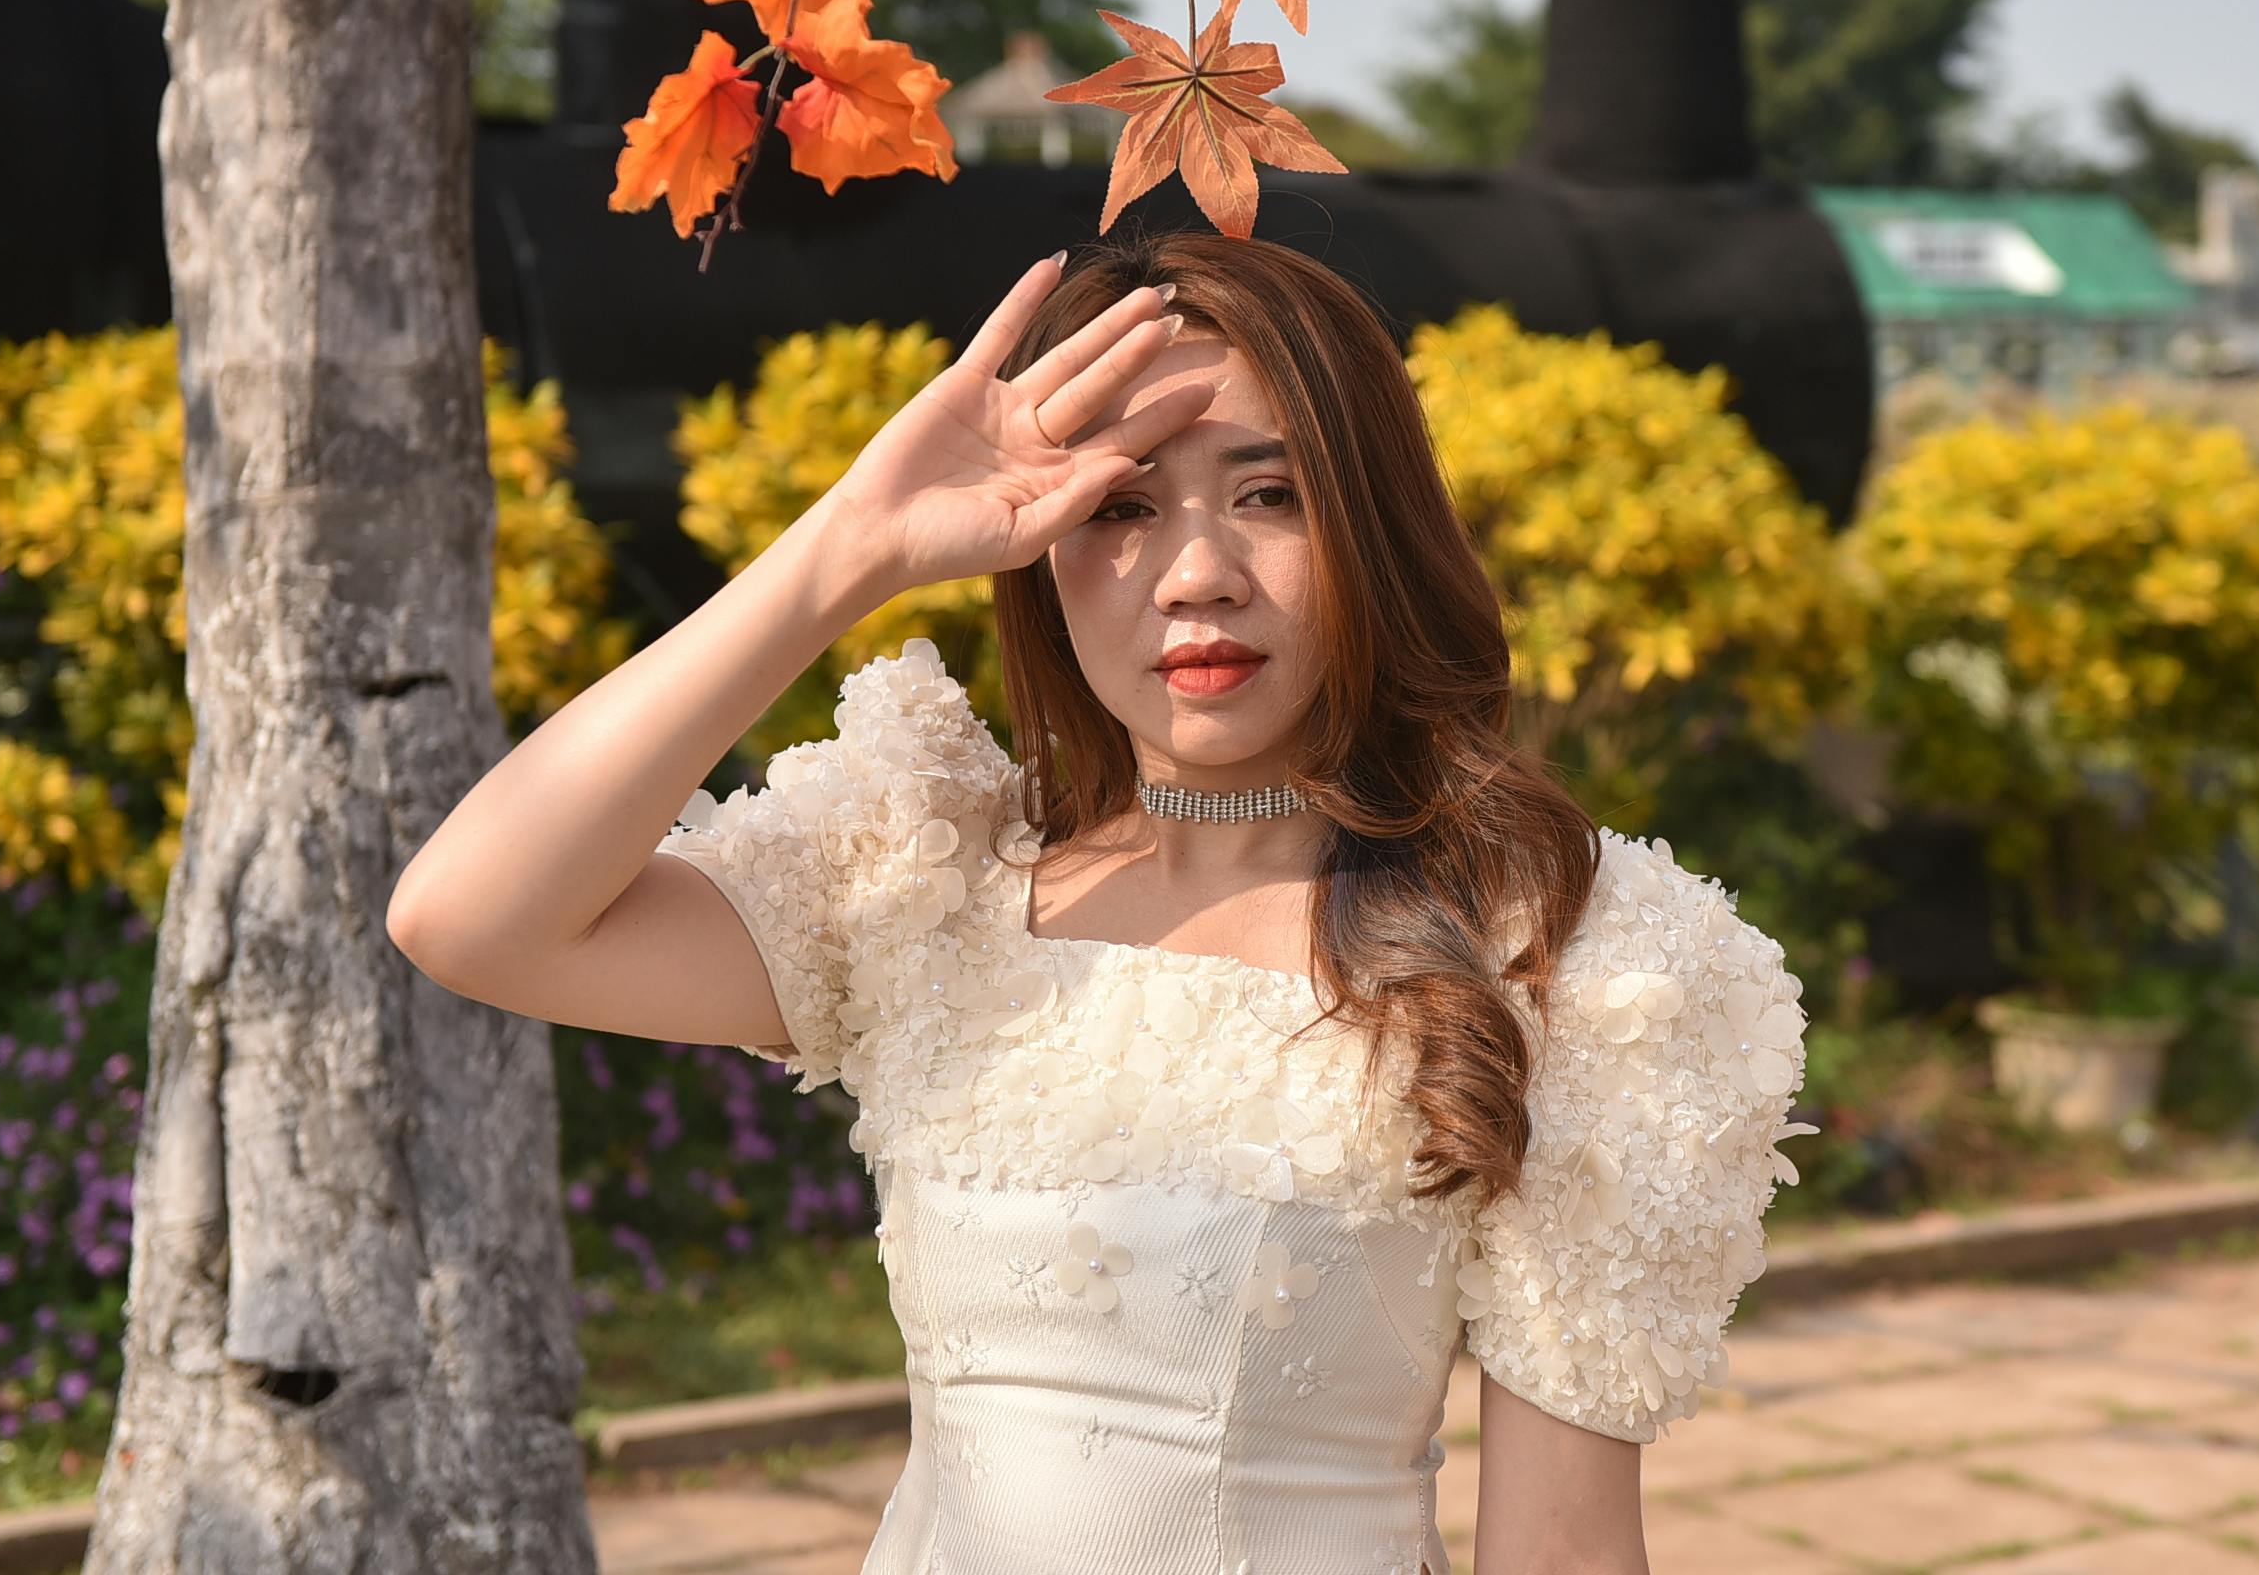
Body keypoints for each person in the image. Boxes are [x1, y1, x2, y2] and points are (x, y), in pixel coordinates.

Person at [389, 232, 1815, 1575]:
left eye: (1271, 495)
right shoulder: (923, 877)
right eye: (1121, 506)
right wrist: (850, 546)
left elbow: (1561, 1555)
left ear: (1374, 525)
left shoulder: (1574, 956)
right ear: (1041, 545)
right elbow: (469, 917)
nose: (1198, 577)